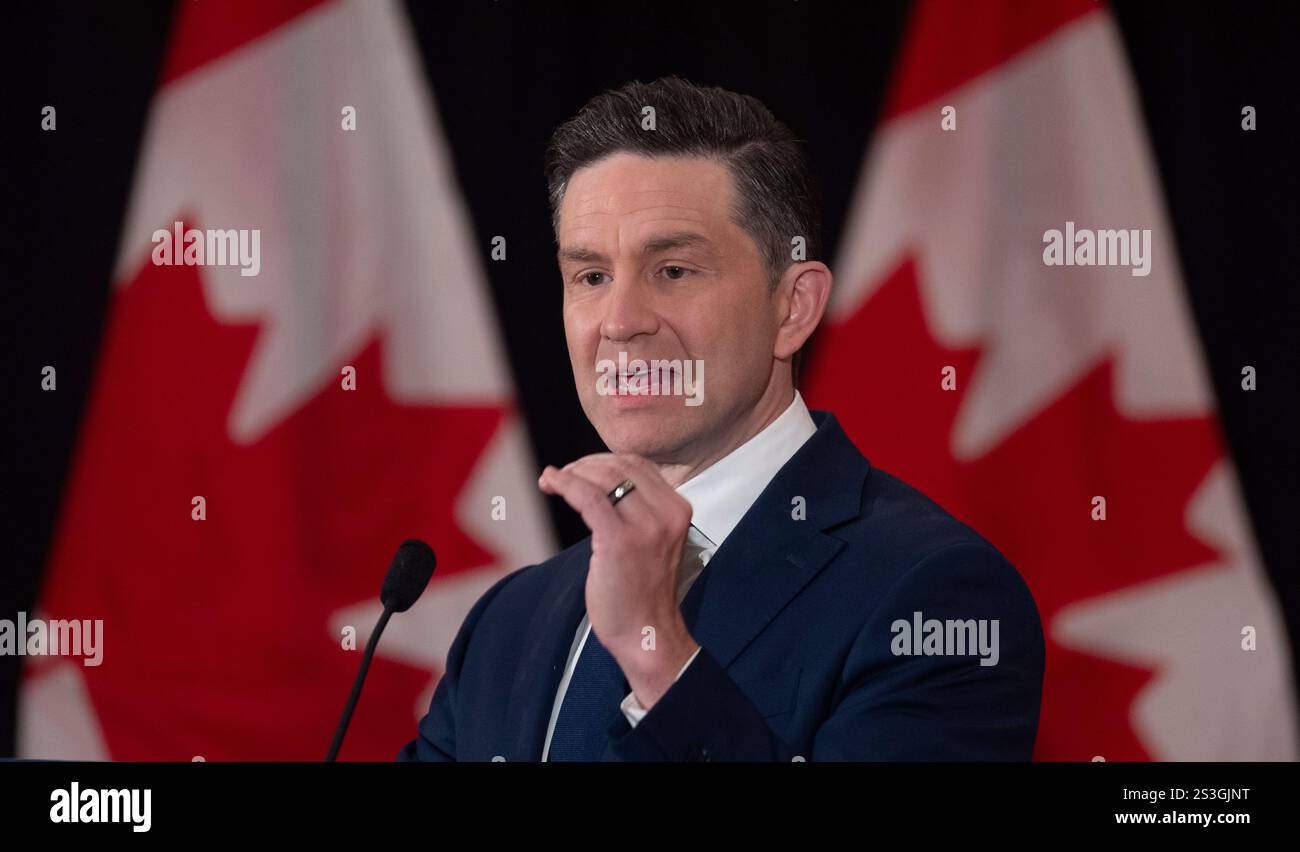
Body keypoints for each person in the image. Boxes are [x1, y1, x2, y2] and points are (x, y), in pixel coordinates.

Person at [397, 76, 1043, 761]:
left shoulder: (936, 598)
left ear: (792, 306)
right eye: (591, 278)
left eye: (673, 270)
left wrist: (658, 656)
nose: (620, 323)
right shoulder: (509, 622)